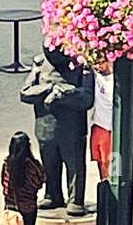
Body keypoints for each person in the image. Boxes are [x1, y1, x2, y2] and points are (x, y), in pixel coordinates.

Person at [20, 47, 94, 216]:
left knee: (74, 164)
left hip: (72, 126)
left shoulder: (81, 64)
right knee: (49, 163)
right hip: (45, 125)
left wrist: (67, 93)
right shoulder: (40, 63)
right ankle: (52, 194)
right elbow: (25, 93)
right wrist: (49, 89)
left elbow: (88, 97)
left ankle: (76, 199)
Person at [91, 61, 113, 182]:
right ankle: (103, 186)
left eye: (101, 63)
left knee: (109, 163)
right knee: (100, 162)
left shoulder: (114, 81)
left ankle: (110, 192)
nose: (97, 67)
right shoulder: (95, 75)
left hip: (110, 129)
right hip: (98, 126)